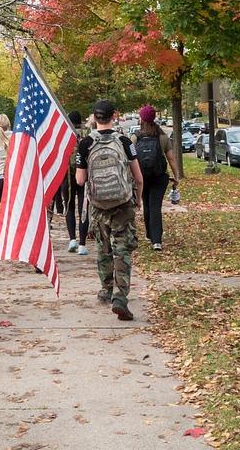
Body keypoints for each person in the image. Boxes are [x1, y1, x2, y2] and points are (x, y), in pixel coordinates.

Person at [75, 99, 143, 321]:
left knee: (103, 248)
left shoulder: (84, 144)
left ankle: (106, 288)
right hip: (123, 205)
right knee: (122, 250)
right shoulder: (125, 141)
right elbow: (138, 177)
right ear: (114, 115)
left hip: (99, 206)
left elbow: (80, 179)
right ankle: (120, 297)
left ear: (94, 118)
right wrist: (138, 200)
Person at [132, 105, 181, 251]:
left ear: (141, 118)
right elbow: (171, 158)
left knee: (146, 204)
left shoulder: (135, 137)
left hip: (142, 176)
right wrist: (176, 175)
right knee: (155, 206)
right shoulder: (163, 137)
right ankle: (156, 240)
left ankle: (149, 235)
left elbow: (130, 158)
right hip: (159, 177)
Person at [63, 111, 89, 255]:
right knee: (83, 208)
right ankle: (82, 244)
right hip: (84, 175)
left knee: (69, 207)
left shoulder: (64, 134)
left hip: (67, 176)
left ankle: (72, 239)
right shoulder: (87, 135)